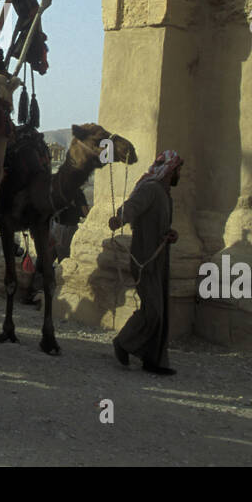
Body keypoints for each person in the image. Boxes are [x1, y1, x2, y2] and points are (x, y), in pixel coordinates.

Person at [107, 150, 183, 375]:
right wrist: (120, 219)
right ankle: (123, 342)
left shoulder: (165, 194)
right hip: (145, 259)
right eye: (178, 169)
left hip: (160, 259)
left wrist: (172, 234)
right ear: (170, 170)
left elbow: (161, 226)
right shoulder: (150, 189)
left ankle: (154, 361)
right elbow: (132, 206)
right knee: (154, 311)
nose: (180, 174)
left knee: (160, 310)